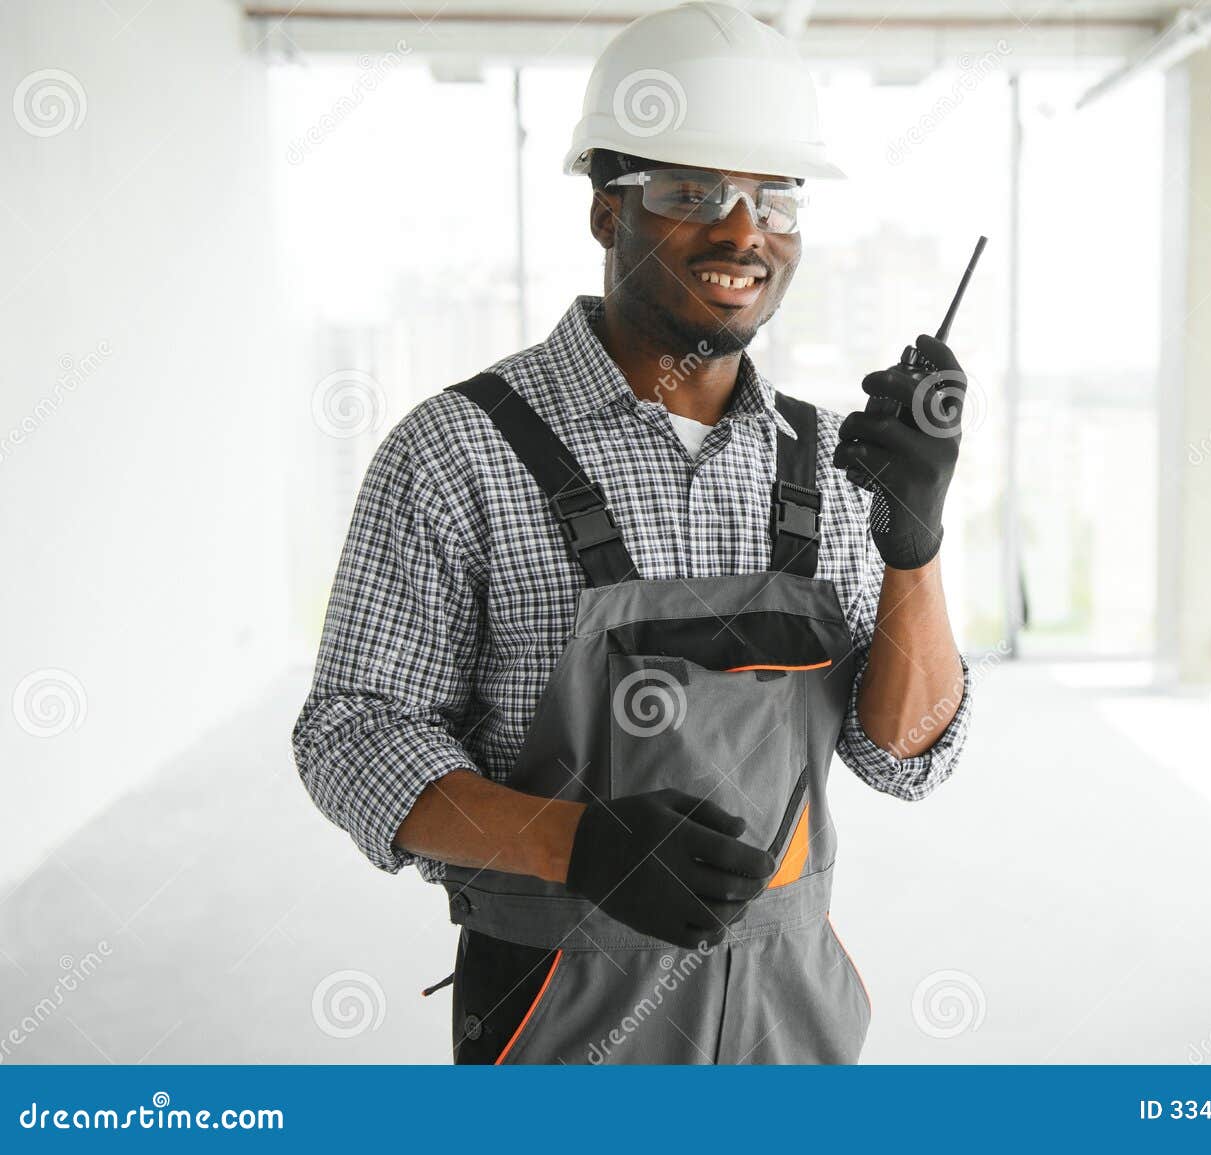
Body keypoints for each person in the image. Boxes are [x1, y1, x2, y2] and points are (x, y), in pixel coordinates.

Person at [292, 0, 973, 1065]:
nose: (742, 232)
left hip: (789, 1027)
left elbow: (903, 758)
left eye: (772, 197)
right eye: (689, 191)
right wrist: (575, 846)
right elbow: (352, 734)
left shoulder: (832, 464)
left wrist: (915, 547)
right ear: (606, 212)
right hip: (559, 1023)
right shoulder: (457, 452)